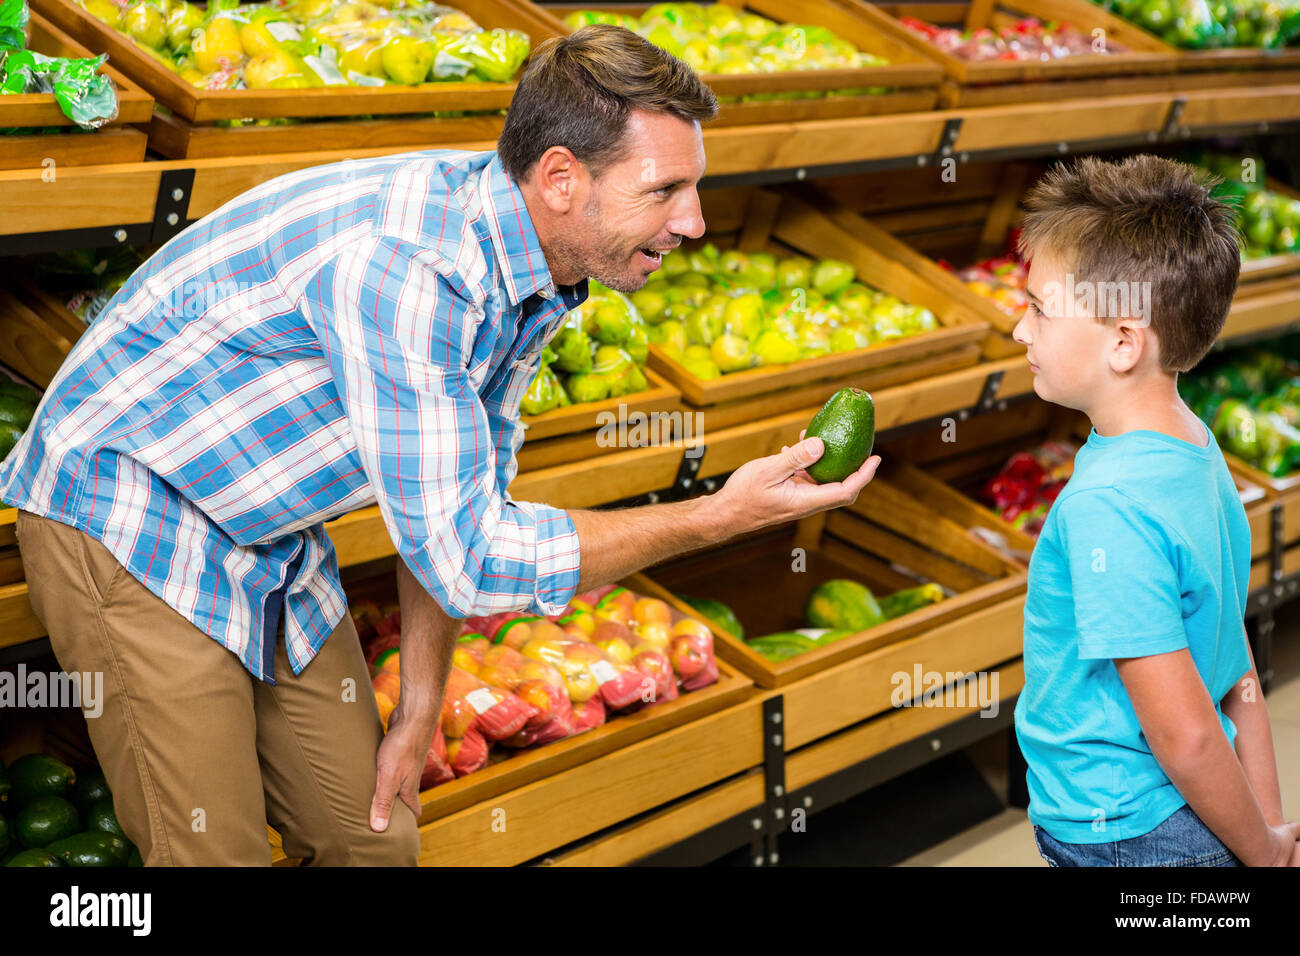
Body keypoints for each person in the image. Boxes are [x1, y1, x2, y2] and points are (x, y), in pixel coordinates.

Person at [0, 25, 879, 866]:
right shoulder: (413, 272)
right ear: (561, 177)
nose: (693, 223)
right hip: (127, 505)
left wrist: (421, 703)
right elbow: (472, 557)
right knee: (211, 851)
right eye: (662, 193)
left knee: (373, 835)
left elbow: (462, 509)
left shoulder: (534, 264)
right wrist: (720, 515)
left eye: (693, 188)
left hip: (261, 529)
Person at [1011, 154, 1299, 867]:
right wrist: (1266, 833)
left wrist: (1262, 854)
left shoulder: (1108, 507)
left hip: (1129, 834)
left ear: (1124, 343)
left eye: (1041, 308)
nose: (1021, 330)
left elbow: (1185, 737)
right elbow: (1236, 672)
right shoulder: (1197, 450)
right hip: (1199, 819)